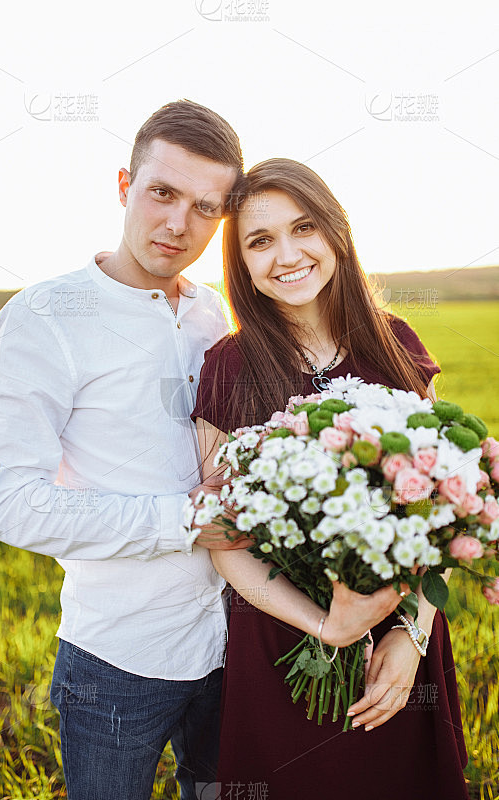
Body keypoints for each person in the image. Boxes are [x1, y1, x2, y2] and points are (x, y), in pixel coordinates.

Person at [0, 99, 254, 800]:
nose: (178, 223)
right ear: (125, 185)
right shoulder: (44, 317)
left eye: (205, 207)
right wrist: (183, 521)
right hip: (116, 661)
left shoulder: (210, 311)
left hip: (232, 640)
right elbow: (12, 505)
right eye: (162, 192)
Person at [192, 158, 470, 799]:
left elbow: (444, 512)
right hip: (281, 642)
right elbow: (221, 535)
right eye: (260, 241)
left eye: (303, 228)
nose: (287, 255)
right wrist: (329, 627)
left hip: (398, 634)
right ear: (241, 263)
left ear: (336, 232)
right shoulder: (228, 367)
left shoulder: (395, 345)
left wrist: (409, 634)